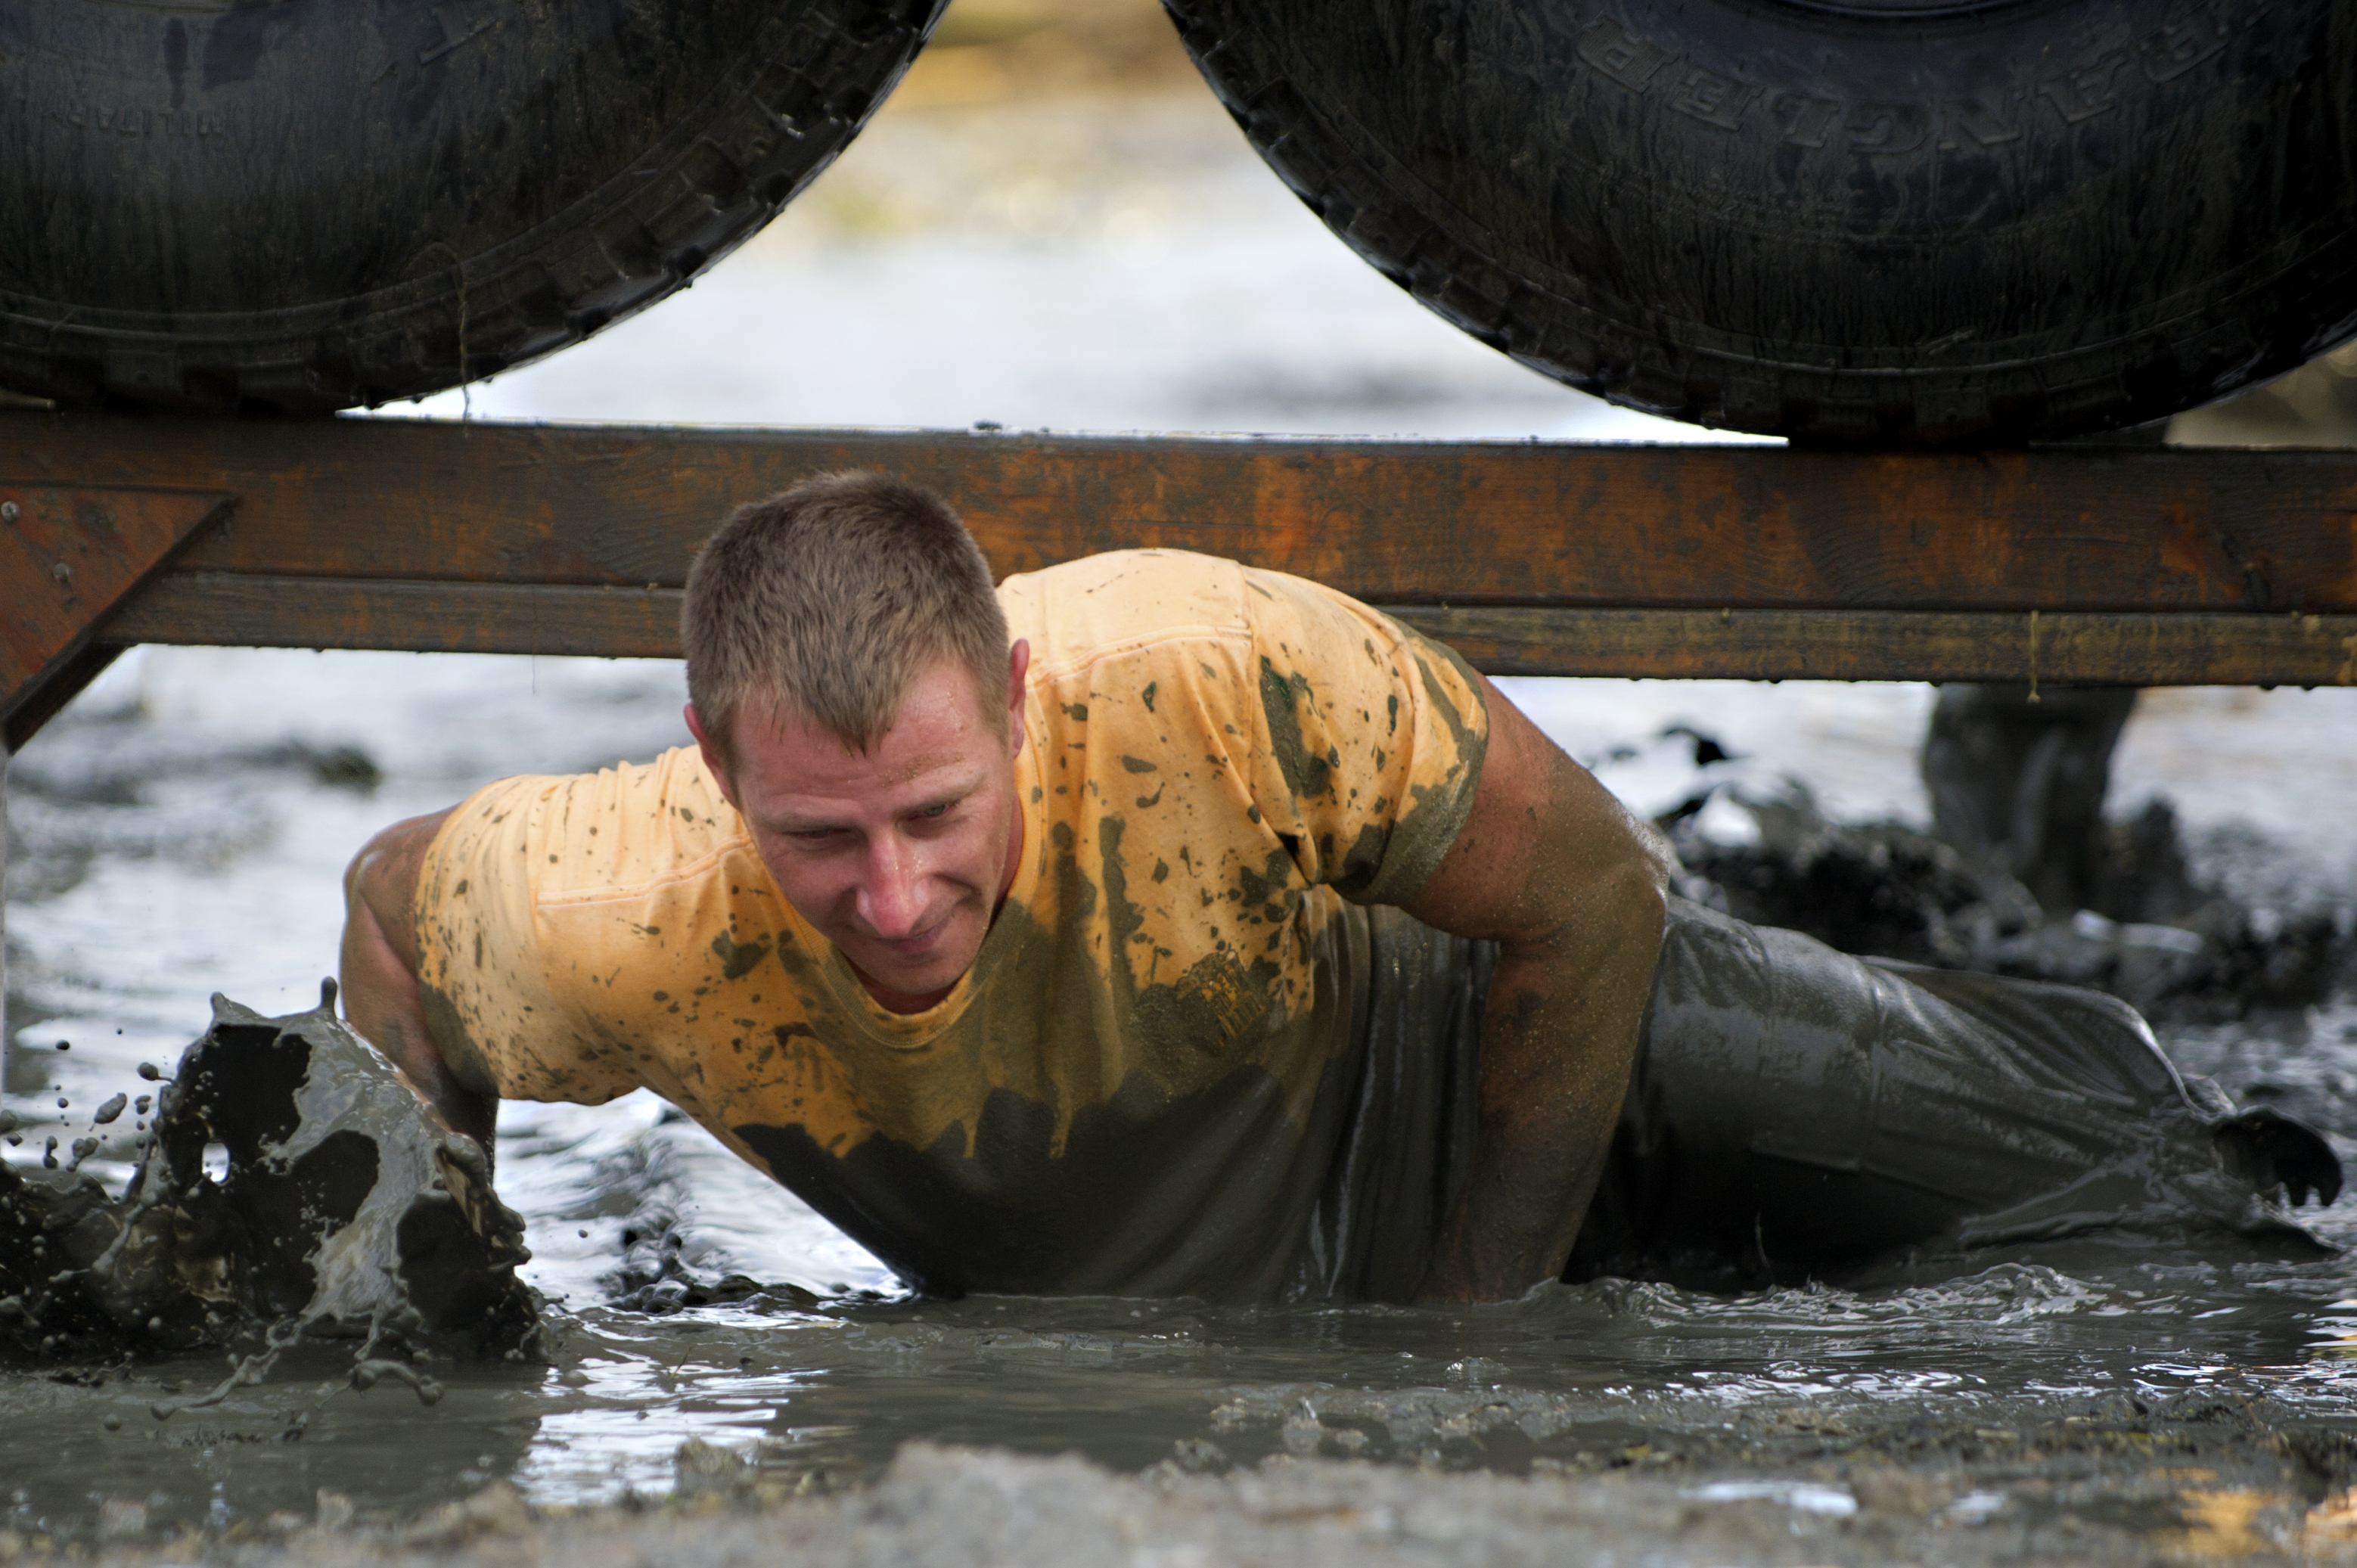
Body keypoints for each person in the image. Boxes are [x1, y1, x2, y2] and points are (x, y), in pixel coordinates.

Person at [339, 474, 2337, 1305]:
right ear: (716, 771)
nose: (890, 891)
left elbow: (1592, 899)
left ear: (1020, 708)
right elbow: (385, 921)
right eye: (820, 838)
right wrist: (445, 1294)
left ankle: (2113, 1056)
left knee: (2185, 1191)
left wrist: (1460, 1349)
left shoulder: (1212, 676)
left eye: (938, 811)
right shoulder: (609, 897)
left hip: (1484, 1053)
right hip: (1225, 1257)